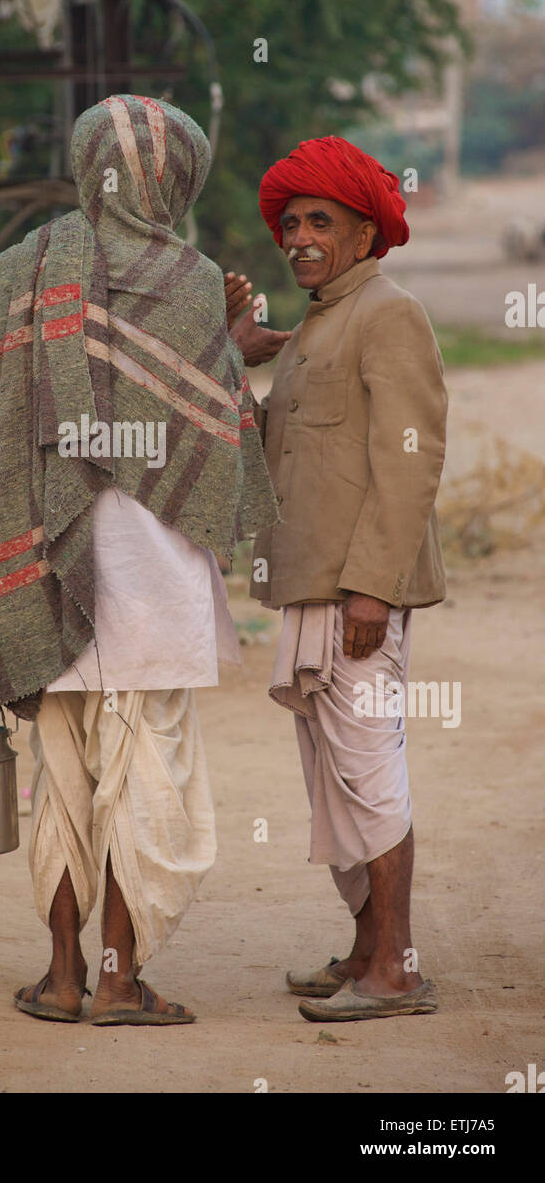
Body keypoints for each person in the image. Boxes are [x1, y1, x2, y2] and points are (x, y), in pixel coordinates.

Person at [0, 94, 276, 1026]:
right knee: (142, 776)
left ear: (91, 168)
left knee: (62, 774)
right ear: (181, 178)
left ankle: (60, 978)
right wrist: (232, 344)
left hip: (41, 566)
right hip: (157, 585)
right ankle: (122, 982)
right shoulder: (197, 283)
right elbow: (219, 424)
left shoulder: (27, 268)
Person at [229, 135, 447, 1022]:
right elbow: (272, 448)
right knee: (333, 778)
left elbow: (410, 459)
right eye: (290, 223)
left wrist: (372, 589)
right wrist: (237, 357)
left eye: (320, 220)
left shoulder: (388, 313)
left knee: (367, 775)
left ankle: (394, 971)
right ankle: (365, 951)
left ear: (365, 231)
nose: (300, 237)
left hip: (357, 594)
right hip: (311, 585)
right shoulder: (318, 321)